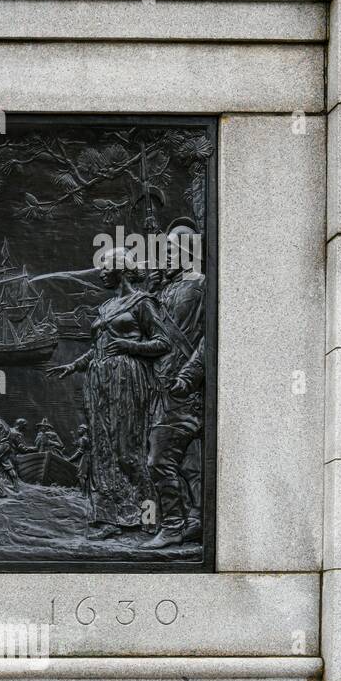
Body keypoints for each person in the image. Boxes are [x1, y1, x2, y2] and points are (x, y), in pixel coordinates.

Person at [47, 247, 169, 539]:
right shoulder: (104, 308)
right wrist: (73, 365)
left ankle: (149, 515)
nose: (101, 273)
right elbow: (97, 348)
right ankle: (111, 519)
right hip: (99, 381)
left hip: (128, 379)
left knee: (128, 452)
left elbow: (163, 343)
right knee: (103, 453)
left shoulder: (142, 303)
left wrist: (130, 346)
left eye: (105, 267)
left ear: (121, 269)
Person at [145, 218, 206, 549]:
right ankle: (194, 521)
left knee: (159, 461)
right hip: (161, 384)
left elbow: (207, 339)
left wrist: (189, 375)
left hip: (182, 388)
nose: (165, 254)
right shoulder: (167, 287)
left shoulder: (200, 286)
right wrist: (154, 291)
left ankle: (172, 525)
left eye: (171, 249)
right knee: (187, 463)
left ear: (189, 252)